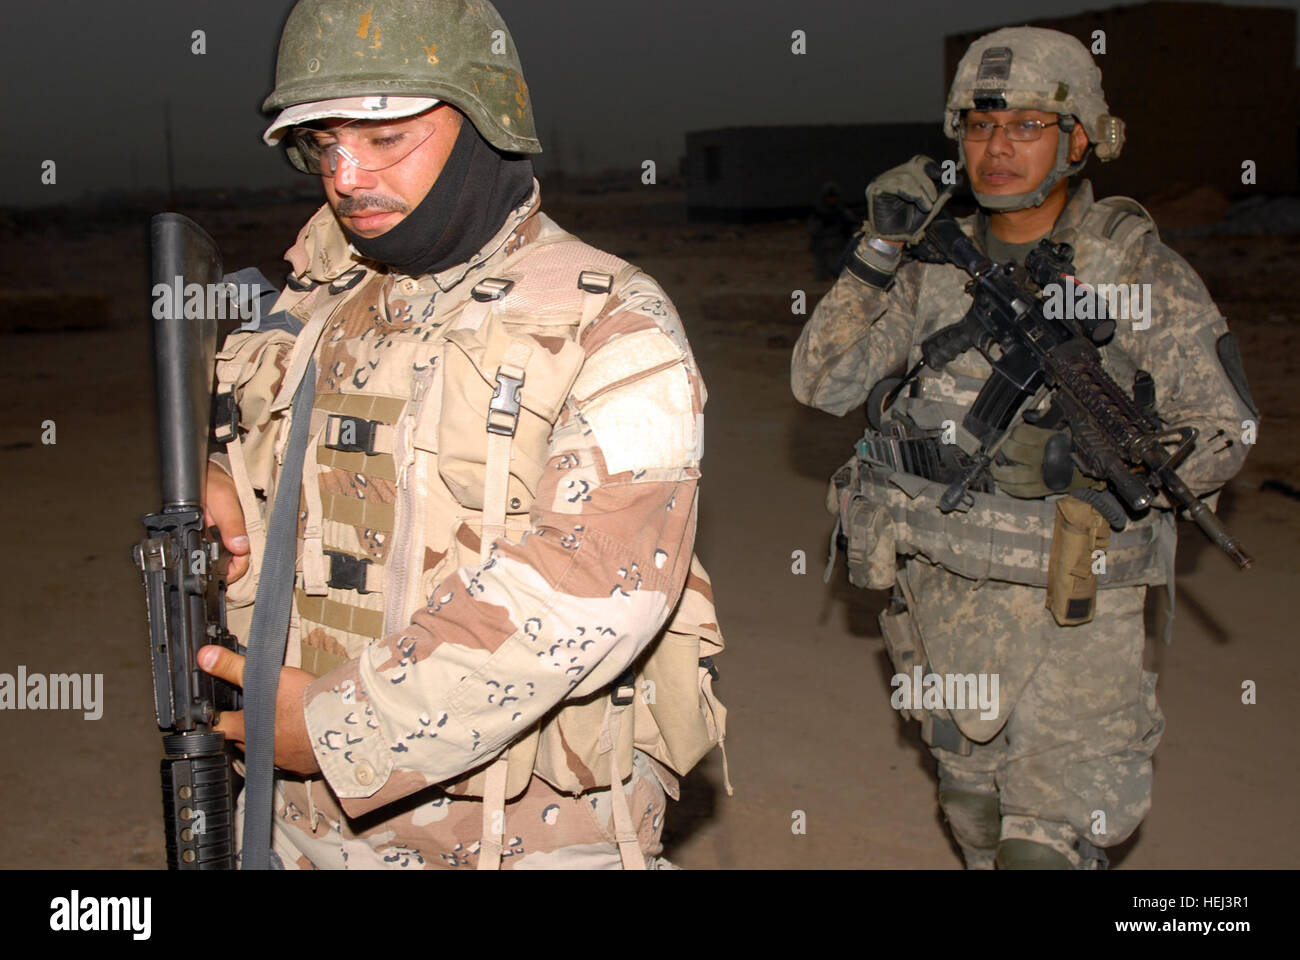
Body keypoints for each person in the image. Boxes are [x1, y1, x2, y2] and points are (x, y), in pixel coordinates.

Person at [197, 0, 728, 870]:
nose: (346, 175)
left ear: (485, 120)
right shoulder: (307, 305)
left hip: (520, 842)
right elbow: (253, 463)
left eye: (383, 139)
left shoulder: (610, 322)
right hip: (289, 826)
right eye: (321, 143)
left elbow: (594, 587)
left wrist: (338, 729)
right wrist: (216, 480)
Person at [792, 27, 1257, 869]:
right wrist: (878, 248)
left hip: (1074, 616)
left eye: (1027, 127)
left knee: (1043, 852)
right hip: (941, 602)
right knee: (970, 814)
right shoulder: (931, 266)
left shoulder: (1133, 270)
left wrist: (1092, 469)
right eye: (976, 127)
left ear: (1080, 138)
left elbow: (1226, 430)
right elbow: (821, 383)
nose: (996, 149)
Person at [807, 182, 857, 281]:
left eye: (833, 197)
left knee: (838, 270)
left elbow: (852, 226)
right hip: (822, 244)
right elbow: (813, 230)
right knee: (821, 274)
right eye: (829, 197)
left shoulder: (842, 211)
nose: (832, 200)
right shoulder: (819, 212)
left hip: (838, 245)